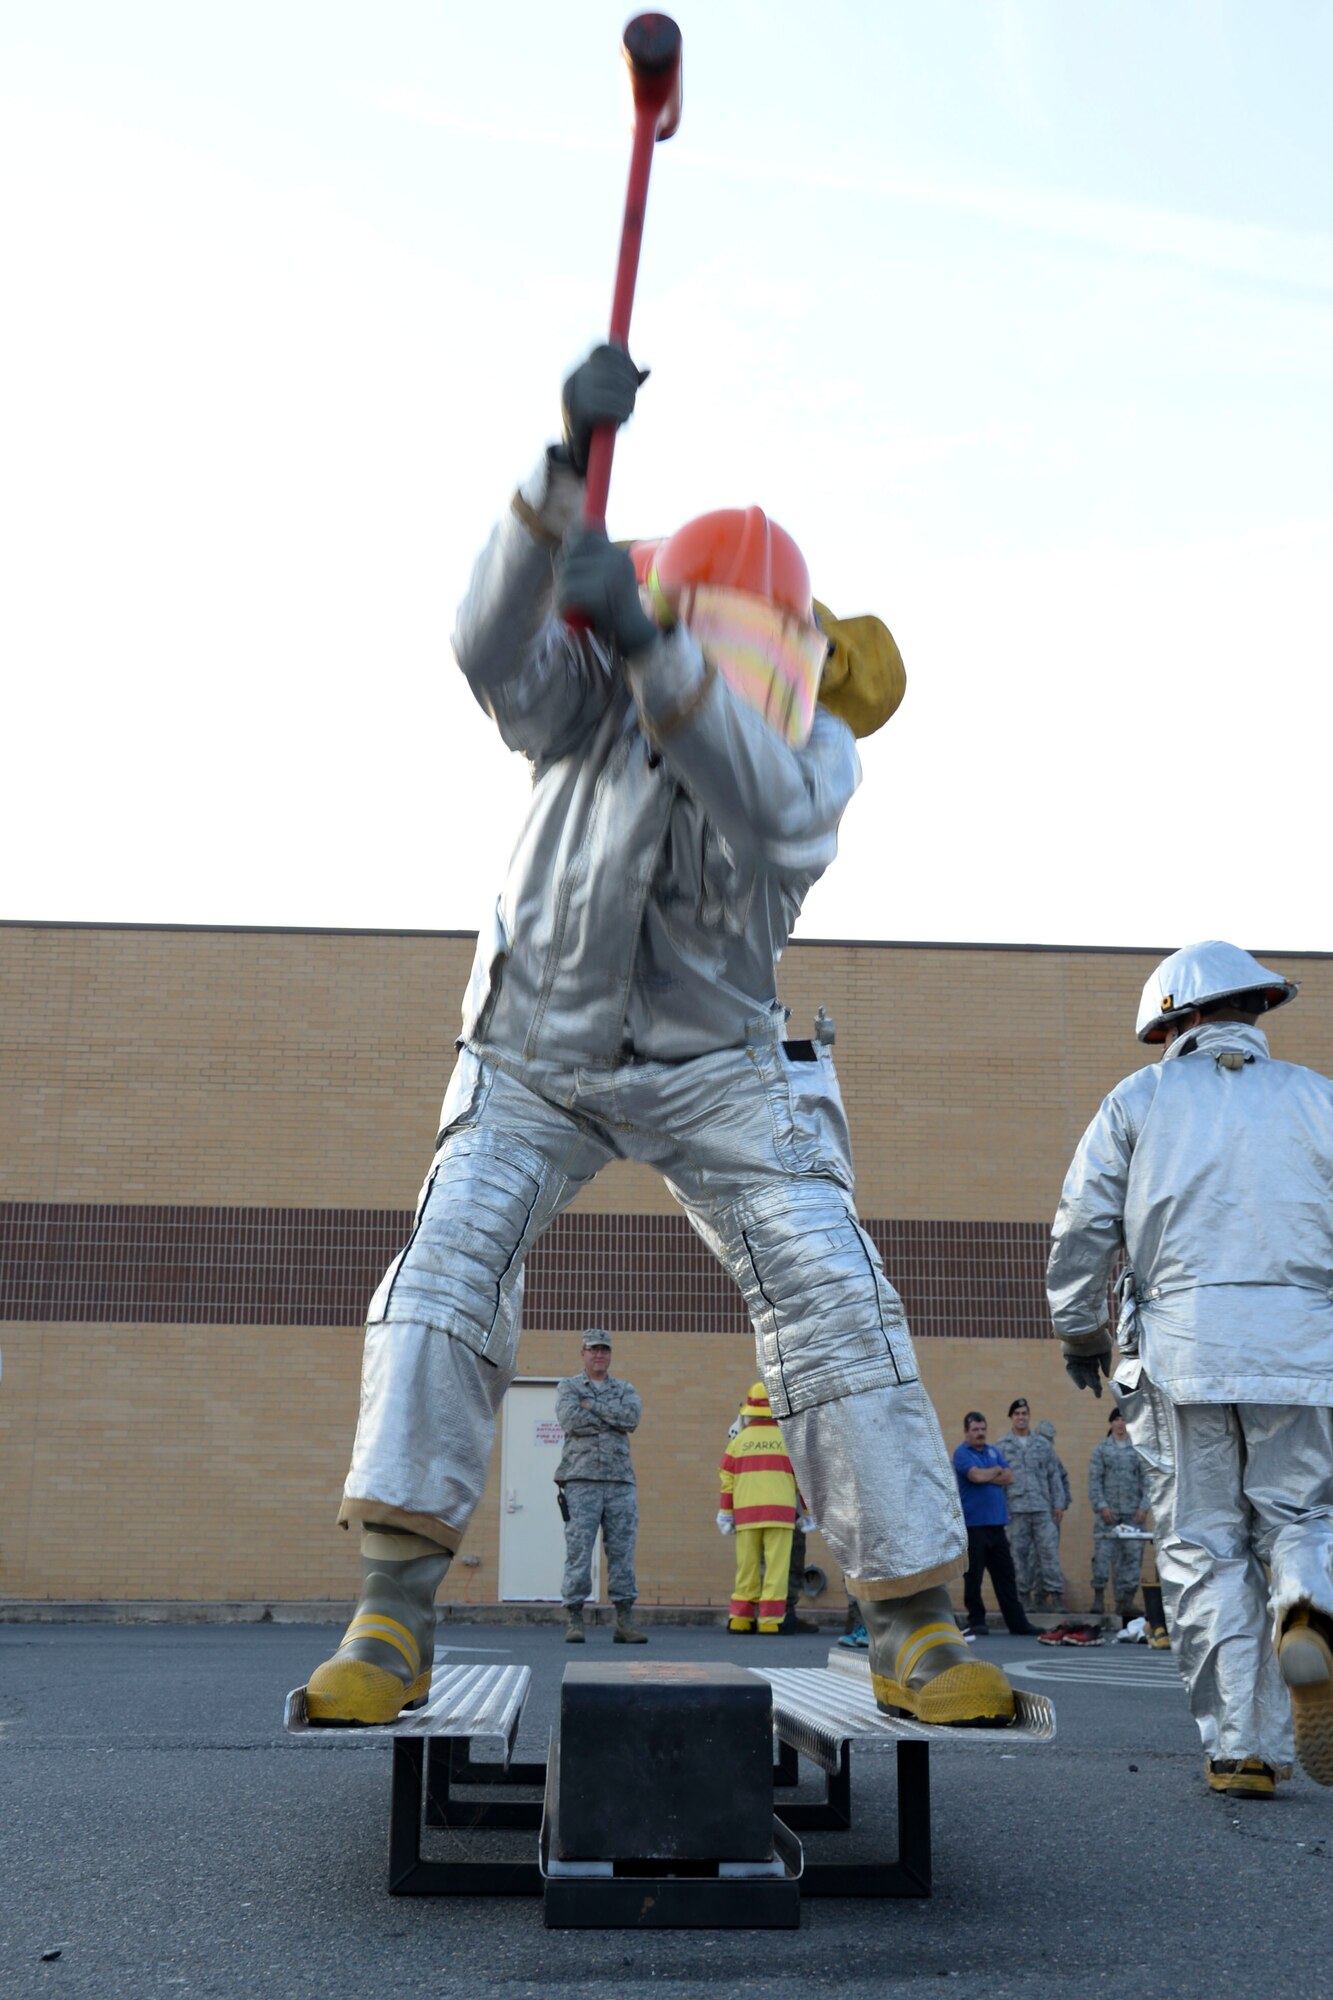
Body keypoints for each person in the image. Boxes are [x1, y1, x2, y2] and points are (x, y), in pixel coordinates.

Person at [303, 344, 1016, 1732]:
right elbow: (482, 643)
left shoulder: (807, 757)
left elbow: (764, 808)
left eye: (758, 645)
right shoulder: (580, 700)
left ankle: (914, 1618)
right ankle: (393, 1603)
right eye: (710, 629)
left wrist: (647, 641)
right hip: (533, 1057)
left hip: (720, 1071)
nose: (737, 665)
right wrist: (559, 468)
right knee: (446, 1265)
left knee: (831, 1288)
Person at [1048, 940, 1333, 1797]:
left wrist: (1079, 1332)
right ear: (1253, 1011)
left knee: (1203, 1544)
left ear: (1174, 1016)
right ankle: (1305, 1605)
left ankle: (1241, 1747)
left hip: (1184, 1348)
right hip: (1304, 1348)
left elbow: (1082, 1224)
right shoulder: (1319, 1100)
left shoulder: (1139, 1099)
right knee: (1298, 1515)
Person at [554, 1329, 645, 1644]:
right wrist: (608, 1417)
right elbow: (570, 1421)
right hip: (581, 1481)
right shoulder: (568, 1387)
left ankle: (624, 1621)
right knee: (579, 1551)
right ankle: (575, 1619)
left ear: (610, 1354)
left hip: (620, 1482)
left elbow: (631, 1419)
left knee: (622, 1552)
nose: (599, 1355)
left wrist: (592, 1408)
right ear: (583, 1353)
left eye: (604, 1350)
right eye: (593, 1350)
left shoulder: (624, 1388)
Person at [718, 1382, 798, 1633]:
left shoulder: (738, 1442)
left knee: (747, 1567)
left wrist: (725, 1513)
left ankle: (740, 1619)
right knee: (776, 1568)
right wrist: (806, 1513)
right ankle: (770, 1622)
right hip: (780, 1514)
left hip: (747, 1513)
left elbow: (727, 1481)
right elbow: (803, 1480)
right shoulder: (789, 1440)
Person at [952, 1413, 1039, 1637]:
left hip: (997, 1526)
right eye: (975, 1430)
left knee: (1006, 1577)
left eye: (983, 1429)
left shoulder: (993, 1451)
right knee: (974, 1577)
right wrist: (995, 1472)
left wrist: (988, 1475)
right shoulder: (962, 1453)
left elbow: (1009, 1477)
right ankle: (977, 1621)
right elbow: (975, 1477)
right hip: (974, 1527)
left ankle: (1018, 1623)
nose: (980, 1433)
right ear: (967, 1432)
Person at [995, 1397, 1066, 1611]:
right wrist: (1001, 1510)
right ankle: (1023, 1598)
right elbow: (999, 1482)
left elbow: (1054, 1476)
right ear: (1011, 1417)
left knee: (1049, 1553)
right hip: (1015, 1511)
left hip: (1042, 1508)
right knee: (1018, 1556)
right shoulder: (1002, 1446)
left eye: (1024, 1413)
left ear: (1029, 1417)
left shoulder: (1042, 1445)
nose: (1021, 1417)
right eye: (1017, 1414)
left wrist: (1058, 1504)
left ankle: (1055, 1596)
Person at [1087, 1406, 1149, 1621]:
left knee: (1132, 1558)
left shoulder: (1138, 1449)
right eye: (1117, 1420)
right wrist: (1102, 1506)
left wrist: (1144, 1506)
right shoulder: (1102, 1449)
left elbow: (1148, 1480)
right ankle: (1099, 1597)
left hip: (1133, 1515)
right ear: (1111, 1423)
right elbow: (1094, 1481)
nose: (1120, 1424)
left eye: (1124, 1419)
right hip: (1109, 1515)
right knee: (1103, 1557)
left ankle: (1126, 1601)